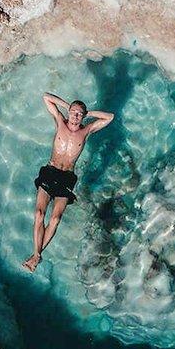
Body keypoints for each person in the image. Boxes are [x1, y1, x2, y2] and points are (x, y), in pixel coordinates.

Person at [22, 93, 115, 272]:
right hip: (50, 171)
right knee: (40, 214)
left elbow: (109, 117)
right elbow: (46, 97)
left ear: (83, 116)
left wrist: (88, 113)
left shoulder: (86, 130)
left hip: (68, 177)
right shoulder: (60, 121)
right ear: (69, 112)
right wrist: (66, 106)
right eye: (73, 112)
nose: (75, 116)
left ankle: (36, 256)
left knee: (55, 219)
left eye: (79, 114)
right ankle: (36, 255)